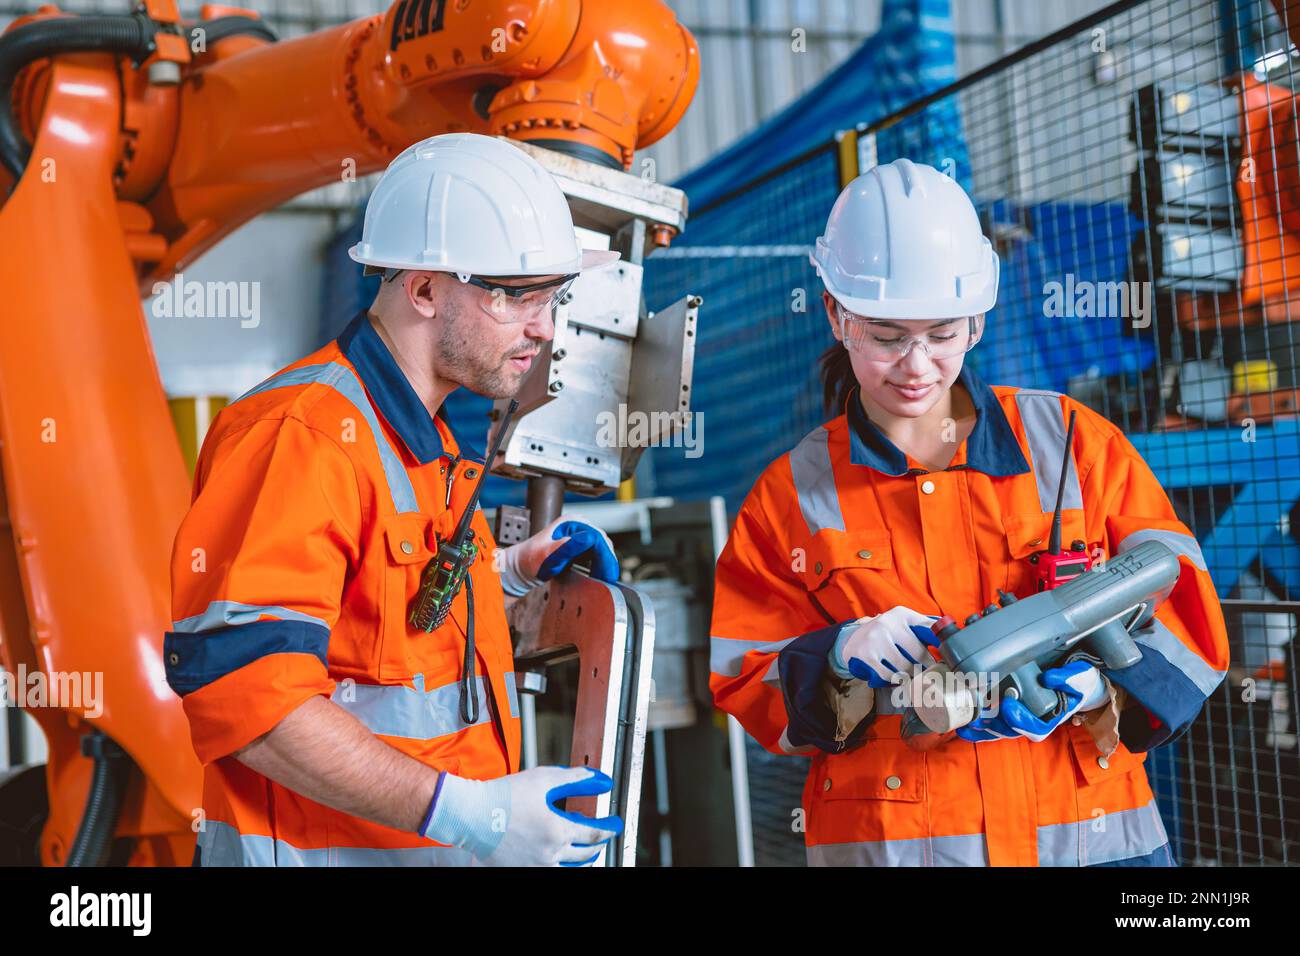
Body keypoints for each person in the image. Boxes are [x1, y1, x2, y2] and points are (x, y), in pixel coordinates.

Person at [710, 158, 1229, 866]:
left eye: (942, 334)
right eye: (888, 336)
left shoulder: (1072, 442)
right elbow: (745, 678)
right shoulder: (790, 494)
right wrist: (836, 657)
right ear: (836, 316)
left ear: (978, 322)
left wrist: (1105, 680)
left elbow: (1185, 592)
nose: (916, 365)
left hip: (1097, 843)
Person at [165, 132, 625, 866]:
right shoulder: (301, 436)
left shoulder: (428, 446)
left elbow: (389, 641)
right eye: (518, 296)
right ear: (423, 289)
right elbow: (248, 697)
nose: (545, 326)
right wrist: (470, 814)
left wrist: (502, 579)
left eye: (553, 296)